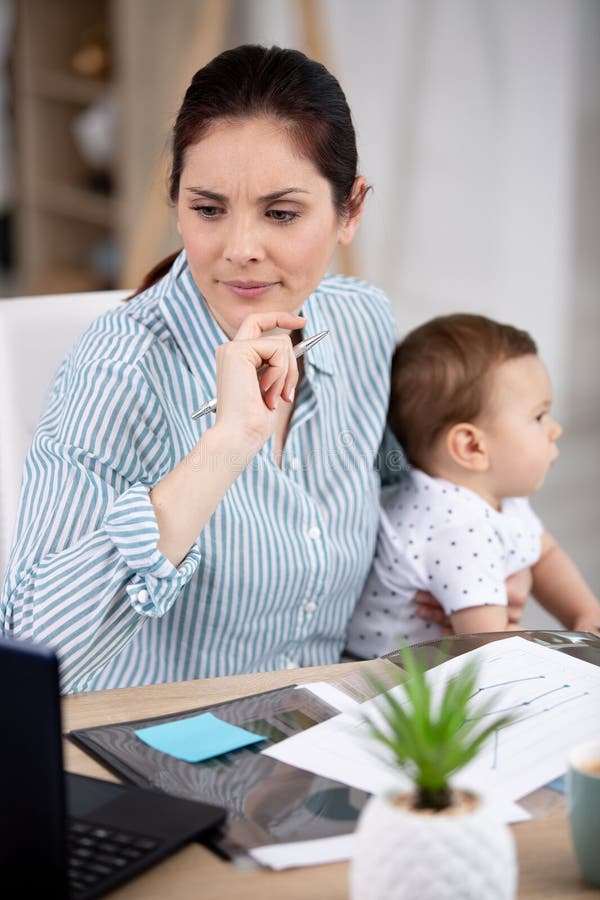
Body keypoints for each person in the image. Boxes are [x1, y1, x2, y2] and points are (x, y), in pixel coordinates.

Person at [1, 44, 402, 692]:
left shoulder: (361, 323)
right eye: (209, 210)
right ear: (176, 200)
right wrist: (225, 445)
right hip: (164, 766)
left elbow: (405, 499)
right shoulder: (119, 372)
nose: (240, 249)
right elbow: (34, 659)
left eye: (281, 213)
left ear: (349, 210)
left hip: (330, 733)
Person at [346, 313, 600, 658]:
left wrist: (584, 612)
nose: (555, 430)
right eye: (539, 417)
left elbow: (545, 554)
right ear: (472, 447)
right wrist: (545, 645)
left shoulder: (493, 496)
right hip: (386, 681)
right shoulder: (457, 528)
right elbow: (491, 648)